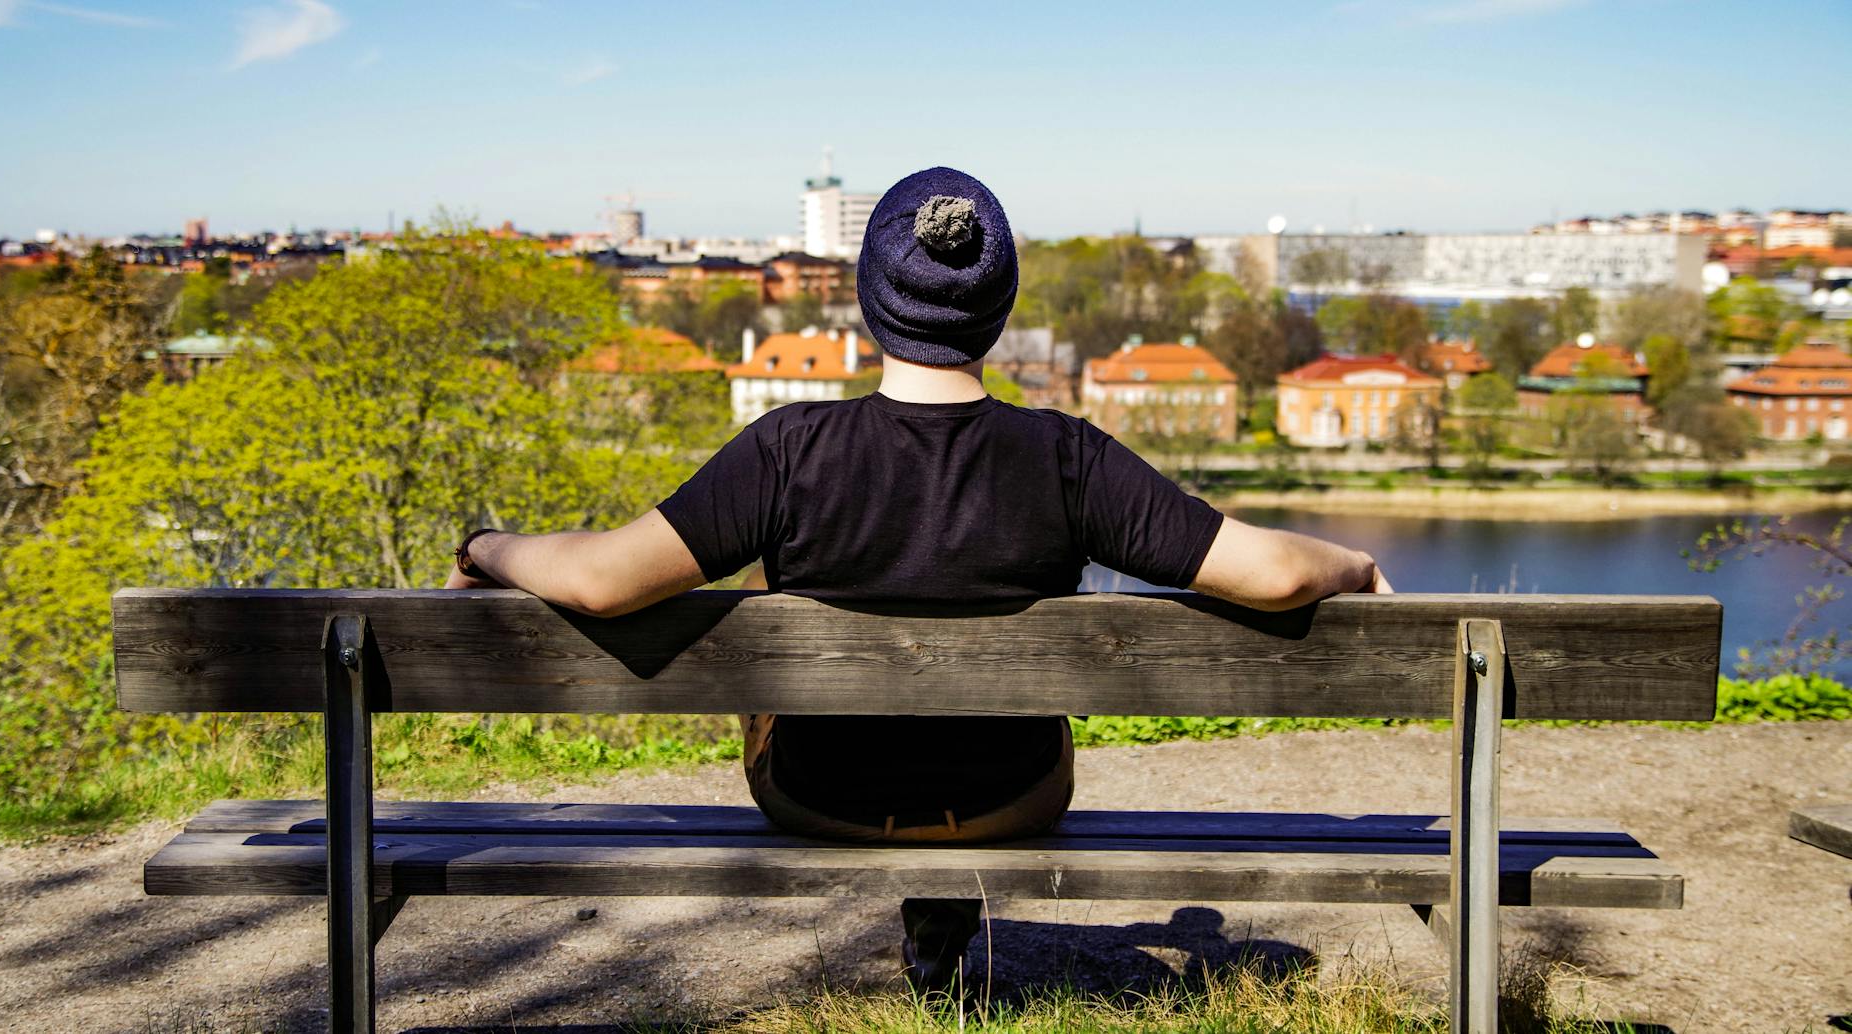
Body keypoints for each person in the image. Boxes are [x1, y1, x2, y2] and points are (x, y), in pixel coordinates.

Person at [444, 166, 1390, 993]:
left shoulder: (788, 450)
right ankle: (942, 919)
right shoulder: (1067, 458)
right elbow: (1269, 573)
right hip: (1009, 798)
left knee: (769, 663)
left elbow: (604, 581)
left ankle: (923, 902)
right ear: (1000, 303)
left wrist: (486, 548)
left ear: (870, 300)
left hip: (820, 798)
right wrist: (1355, 561)